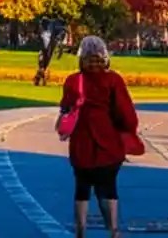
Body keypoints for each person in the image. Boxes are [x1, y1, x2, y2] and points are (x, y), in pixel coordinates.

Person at [60, 36, 138, 238]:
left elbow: (66, 107)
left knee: (82, 186)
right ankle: (112, 229)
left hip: (81, 140)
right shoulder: (113, 80)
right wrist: (127, 130)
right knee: (108, 187)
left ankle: (80, 229)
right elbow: (125, 113)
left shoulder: (73, 81)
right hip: (107, 139)